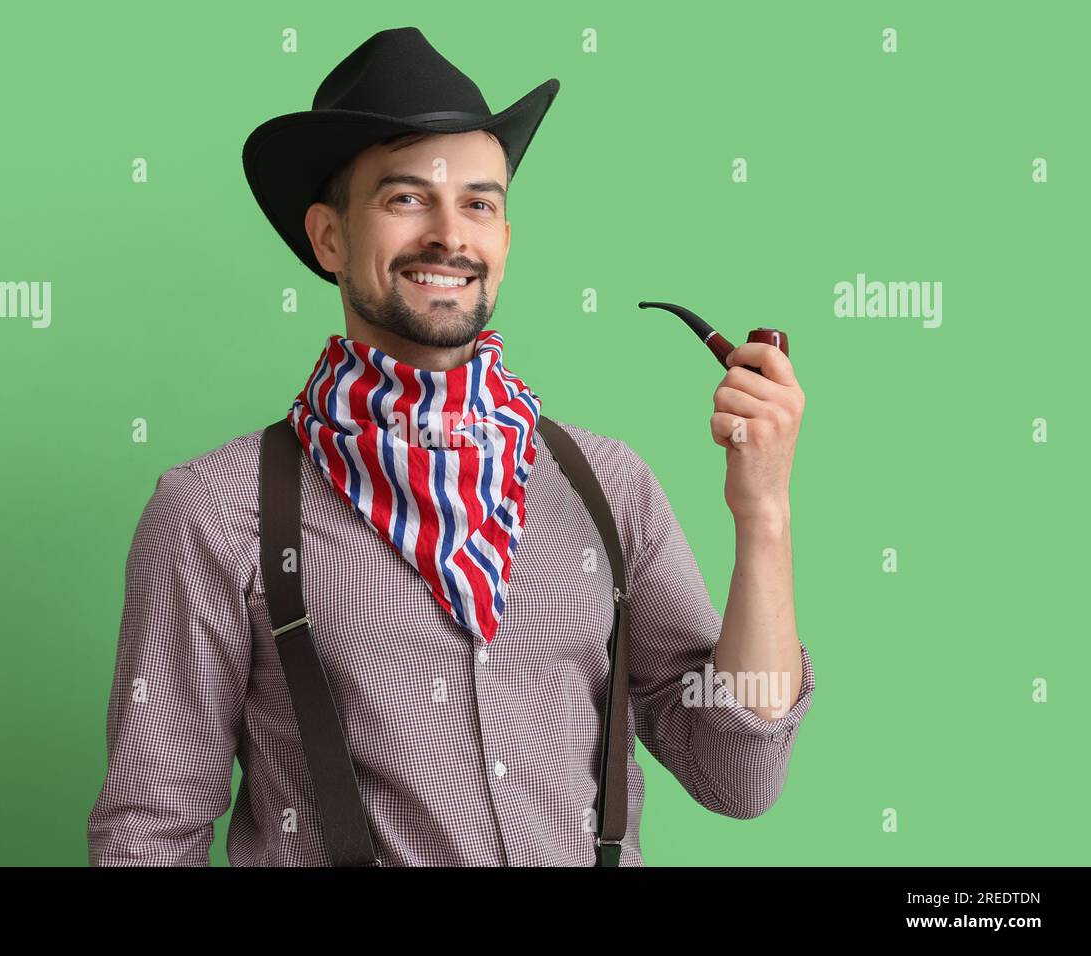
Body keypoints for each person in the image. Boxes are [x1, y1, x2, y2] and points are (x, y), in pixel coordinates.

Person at [87, 26, 814, 867]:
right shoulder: (215, 512)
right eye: (405, 198)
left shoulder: (606, 487)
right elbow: (148, 837)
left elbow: (739, 776)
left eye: (479, 202)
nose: (449, 235)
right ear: (328, 238)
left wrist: (763, 510)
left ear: (504, 236)